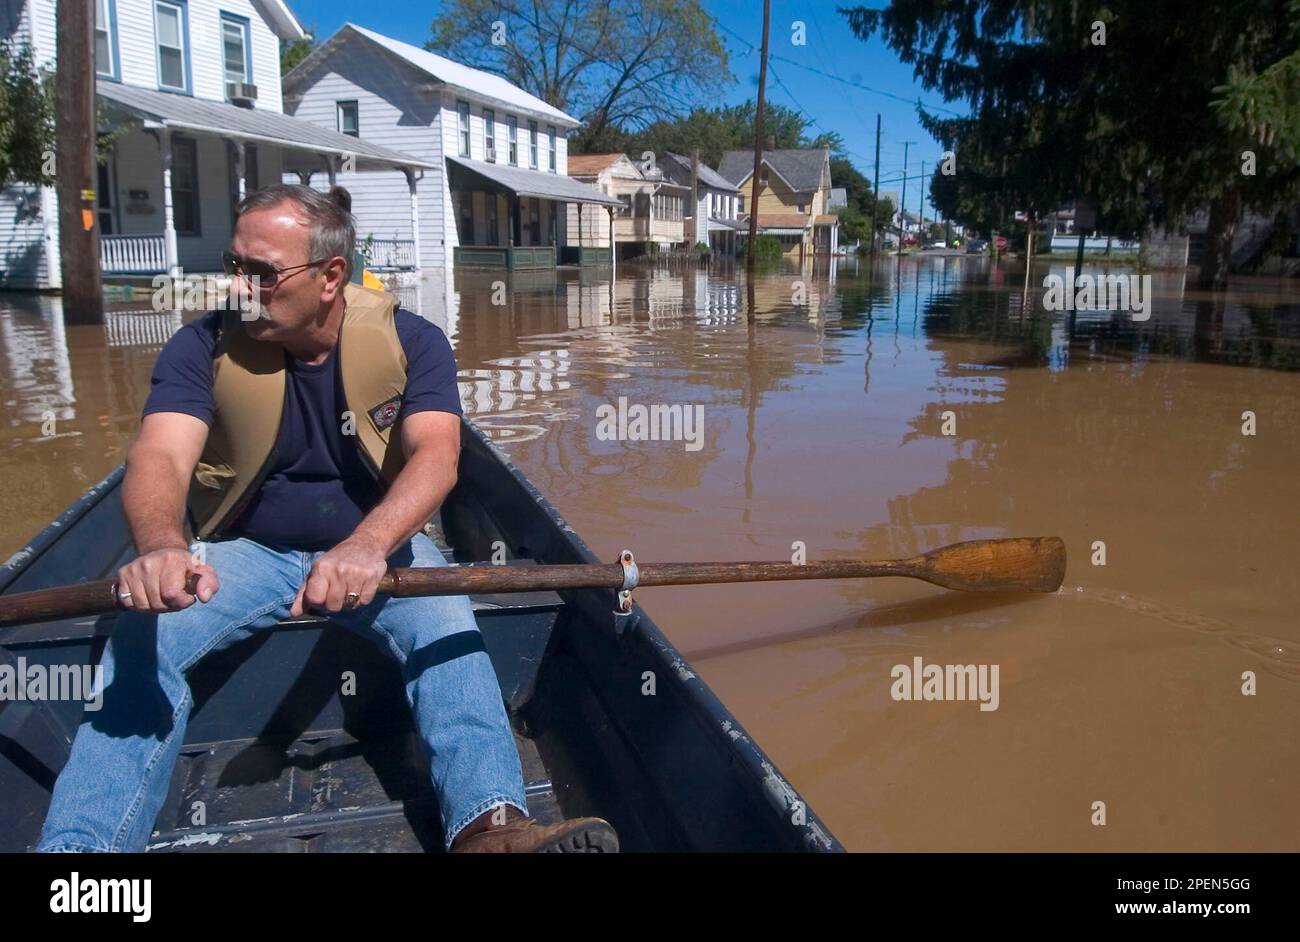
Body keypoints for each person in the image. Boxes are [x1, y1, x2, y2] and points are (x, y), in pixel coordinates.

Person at [37, 183, 617, 854]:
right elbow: (161, 456)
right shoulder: (202, 345)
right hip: (246, 549)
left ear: (331, 276)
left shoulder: (412, 341)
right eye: (234, 266)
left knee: (448, 627)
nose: (240, 287)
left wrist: (368, 545)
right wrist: (163, 547)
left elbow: (437, 457)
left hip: (379, 545)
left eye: (262, 273)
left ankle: (491, 829)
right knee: (142, 640)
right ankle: (80, 859)